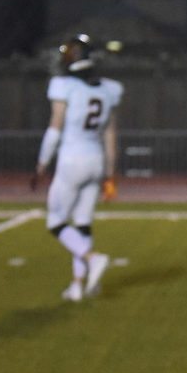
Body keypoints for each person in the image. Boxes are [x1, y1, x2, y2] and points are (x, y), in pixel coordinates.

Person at [32, 34, 123, 302]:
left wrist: (41, 163)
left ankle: (92, 259)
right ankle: (80, 286)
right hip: (96, 161)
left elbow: (54, 129)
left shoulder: (64, 85)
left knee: (56, 222)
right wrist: (110, 175)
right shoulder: (108, 89)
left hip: (72, 159)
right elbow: (111, 137)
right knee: (82, 225)